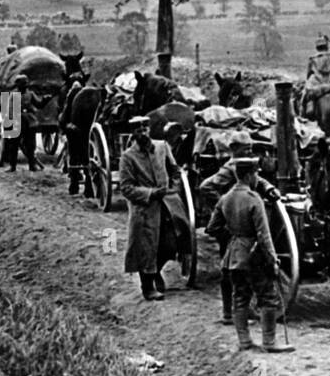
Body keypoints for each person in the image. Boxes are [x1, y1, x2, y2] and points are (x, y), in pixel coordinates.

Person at [206, 157, 294, 352]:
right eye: (256, 173)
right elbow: (264, 234)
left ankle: (244, 341)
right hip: (255, 257)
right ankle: (269, 342)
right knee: (268, 296)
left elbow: (212, 228)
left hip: (234, 256)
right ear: (248, 175)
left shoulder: (225, 198)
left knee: (240, 297)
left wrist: (234, 239)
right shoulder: (254, 199)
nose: (257, 177)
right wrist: (273, 259)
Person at [198, 130, 280, 323]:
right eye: (246, 149)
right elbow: (205, 187)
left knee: (243, 271)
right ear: (235, 149)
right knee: (228, 272)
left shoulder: (245, 166)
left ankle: (239, 310)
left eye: (251, 148)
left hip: (243, 225)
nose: (250, 151)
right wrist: (225, 205)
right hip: (231, 227)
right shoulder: (229, 169)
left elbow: (256, 179)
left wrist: (269, 188)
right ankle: (229, 313)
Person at [119, 117, 191, 301]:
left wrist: (173, 190)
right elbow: (126, 188)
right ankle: (148, 287)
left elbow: (175, 171)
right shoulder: (128, 157)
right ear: (133, 134)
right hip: (144, 208)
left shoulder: (162, 147)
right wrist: (150, 193)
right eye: (137, 130)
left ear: (149, 128)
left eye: (144, 128)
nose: (142, 132)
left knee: (171, 244)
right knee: (146, 247)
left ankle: (156, 271)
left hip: (167, 205)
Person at [6, 76, 43, 172]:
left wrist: (45, 100)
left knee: (31, 145)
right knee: (13, 145)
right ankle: (12, 166)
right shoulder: (13, 94)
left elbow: (39, 104)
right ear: (18, 85)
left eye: (25, 84)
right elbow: (10, 109)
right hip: (17, 121)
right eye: (23, 84)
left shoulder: (30, 94)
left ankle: (32, 166)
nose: (24, 86)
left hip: (29, 121)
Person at [301, 35, 330, 120]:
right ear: (326, 46)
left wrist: (307, 80)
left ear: (317, 47)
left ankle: (304, 113)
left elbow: (308, 73)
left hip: (317, 82)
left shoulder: (312, 59)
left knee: (305, 94)